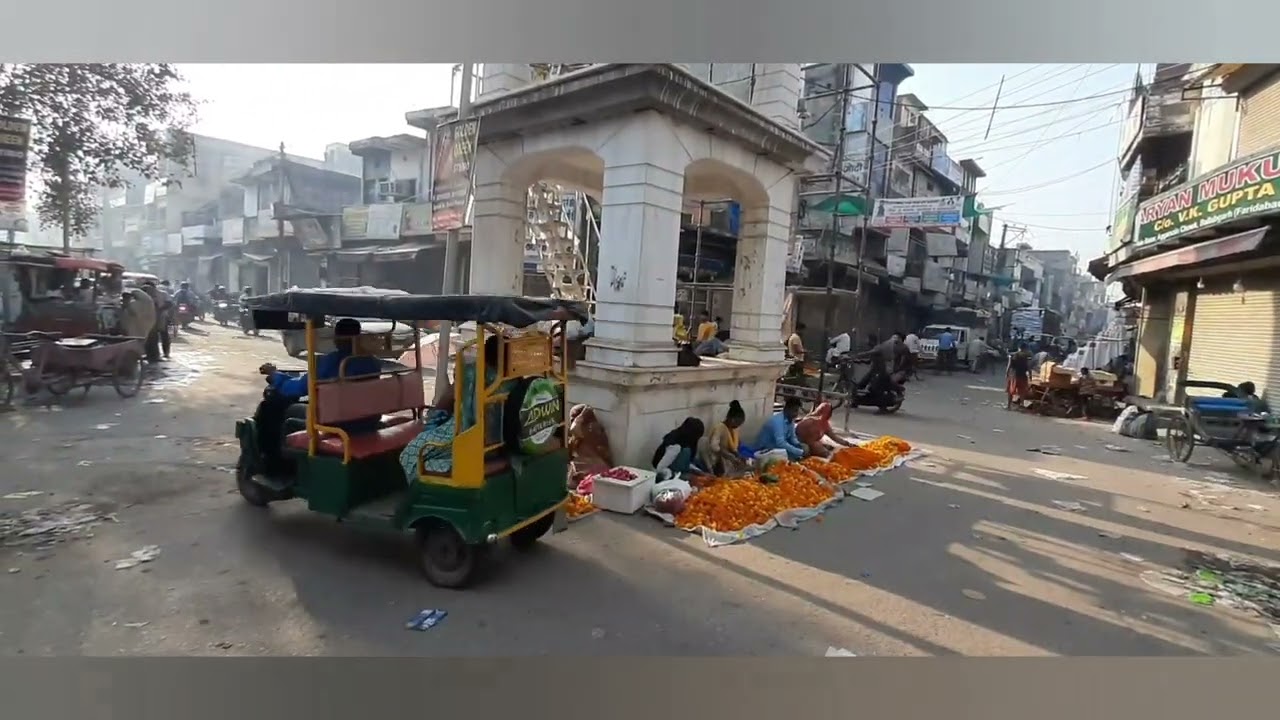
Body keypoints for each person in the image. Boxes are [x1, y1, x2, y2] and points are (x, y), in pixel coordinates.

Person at [256, 319, 382, 470]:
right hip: (367, 420)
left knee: (287, 409)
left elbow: (298, 388)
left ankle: (278, 464)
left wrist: (275, 375)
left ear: (337, 338)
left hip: (340, 423)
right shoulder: (372, 362)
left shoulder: (332, 362)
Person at [400, 335, 515, 480]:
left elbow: (449, 399)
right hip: (499, 439)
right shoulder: (514, 378)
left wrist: (433, 418)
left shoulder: (472, 374)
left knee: (410, 453)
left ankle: (418, 490)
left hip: (466, 432)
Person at [699, 401, 752, 476]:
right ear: (732, 420)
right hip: (716, 460)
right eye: (738, 424)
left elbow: (734, 447)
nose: (737, 426)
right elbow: (714, 447)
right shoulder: (720, 428)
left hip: (727, 458)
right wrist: (727, 455)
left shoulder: (733, 429)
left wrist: (738, 455)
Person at [755, 397, 806, 461]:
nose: (796, 414)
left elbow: (792, 437)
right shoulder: (777, 421)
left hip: (777, 446)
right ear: (788, 409)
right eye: (795, 411)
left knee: (804, 448)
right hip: (766, 448)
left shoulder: (790, 419)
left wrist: (799, 445)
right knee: (791, 456)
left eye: (797, 411)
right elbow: (780, 443)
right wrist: (799, 452)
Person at [140, 281, 172, 362]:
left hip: (161, 317)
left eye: (149, 288)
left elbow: (169, 303)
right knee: (151, 336)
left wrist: (160, 309)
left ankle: (166, 353)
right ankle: (150, 354)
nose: (148, 290)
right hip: (149, 318)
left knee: (163, 335)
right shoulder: (145, 295)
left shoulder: (162, 294)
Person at [1006, 343, 1032, 410]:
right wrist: (1030, 376)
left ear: (1019, 348)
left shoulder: (1012, 355)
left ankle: (1008, 406)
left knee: (1011, 391)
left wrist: (1006, 373)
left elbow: (1009, 365)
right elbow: (1029, 367)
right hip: (1022, 375)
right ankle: (1022, 405)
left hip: (1013, 375)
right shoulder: (1027, 356)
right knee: (1022, 391)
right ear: (1025, 348)